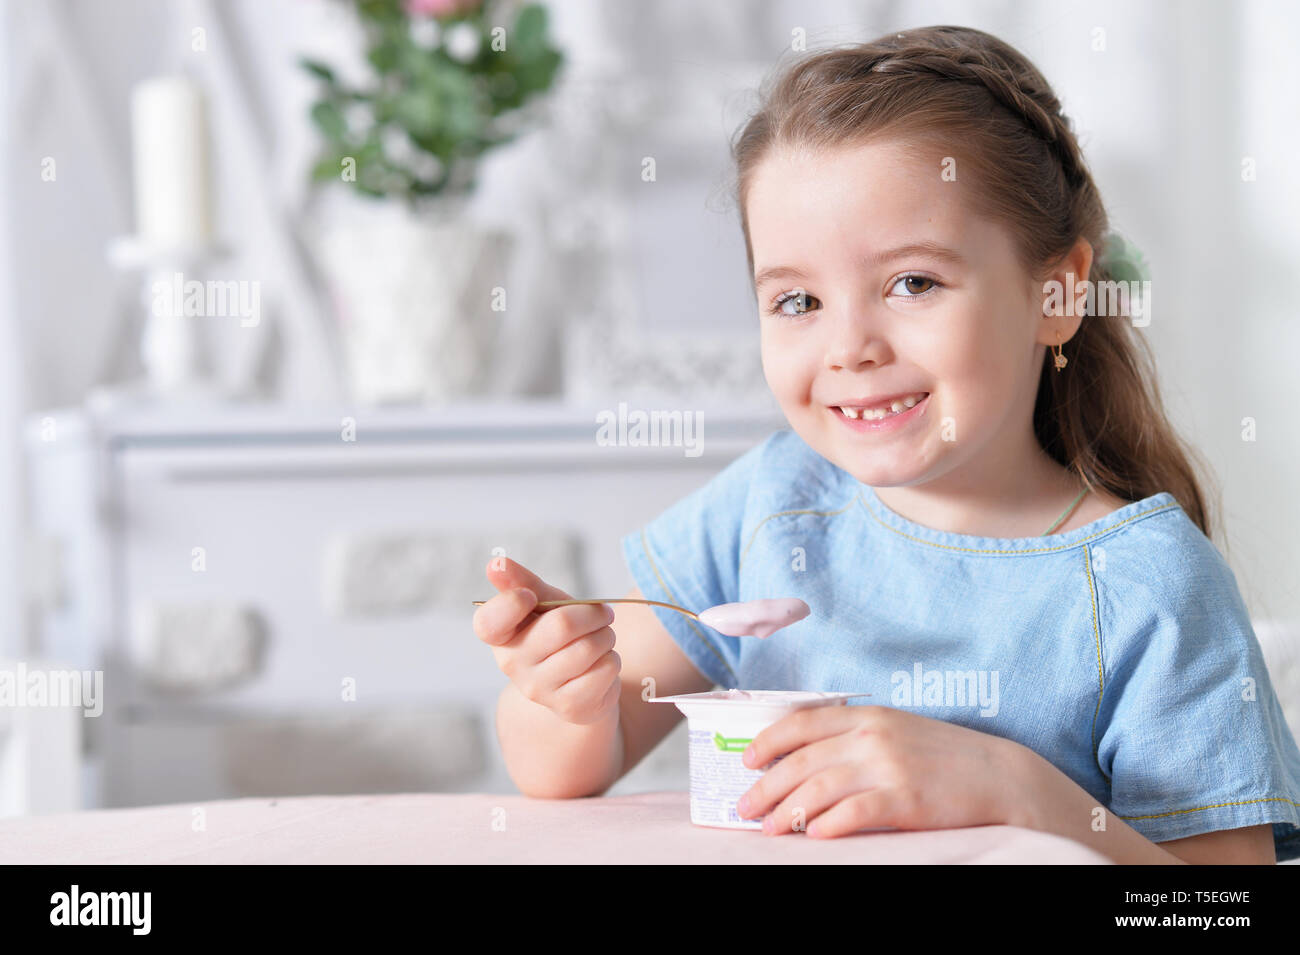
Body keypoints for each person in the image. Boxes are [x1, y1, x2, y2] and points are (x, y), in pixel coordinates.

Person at [473, 25, 1300, 864]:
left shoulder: (1150, 588)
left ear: (1057, 293)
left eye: (913, 283)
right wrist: (565, 700)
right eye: (798, 302)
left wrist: (1016, 788)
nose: (849, 347)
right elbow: (575, 760)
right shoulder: (769, 506)